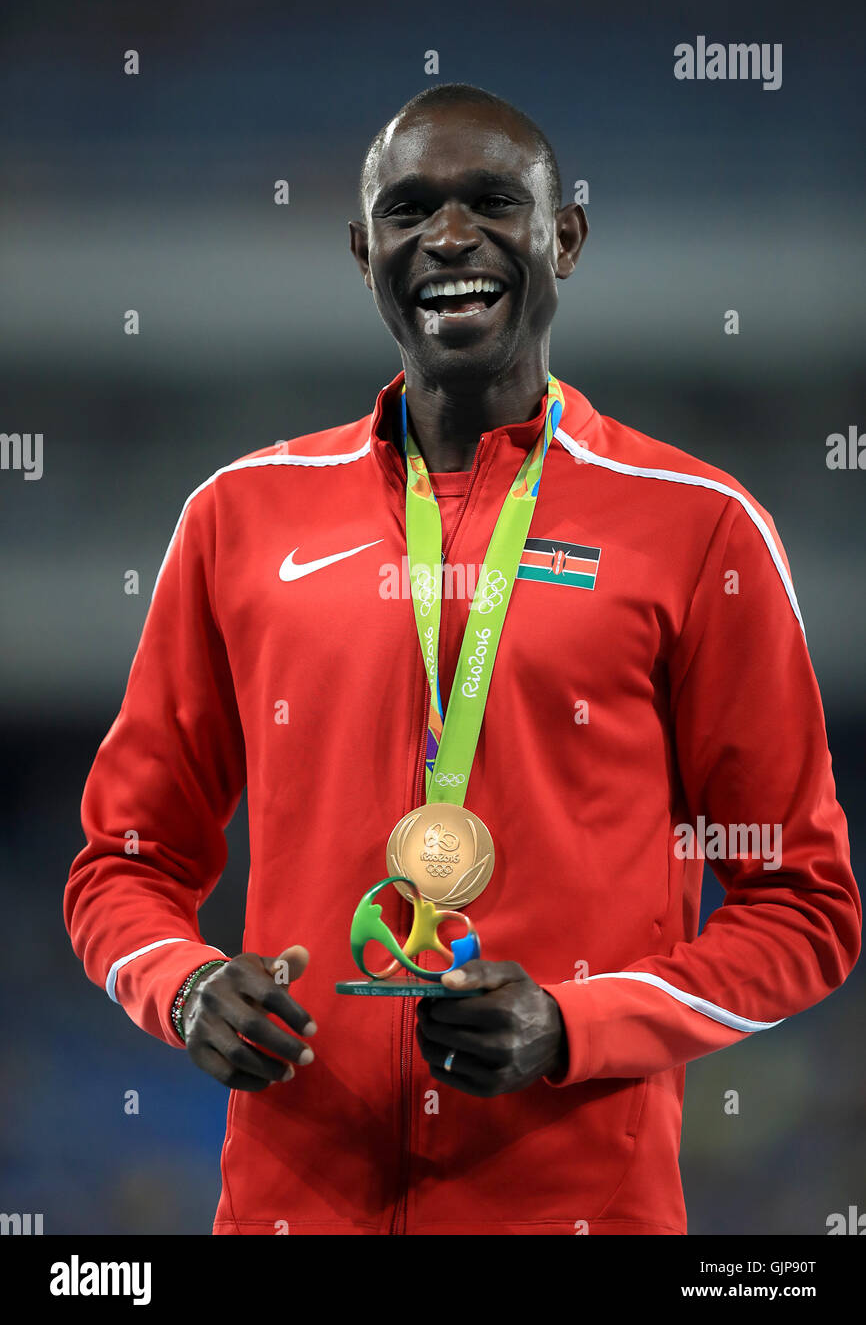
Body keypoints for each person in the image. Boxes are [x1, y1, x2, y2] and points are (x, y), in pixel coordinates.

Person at [65, 83, 861, 1236]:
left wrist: (576, 1026)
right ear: (362, 253)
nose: (447, 237)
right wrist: (180, 982)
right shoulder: (238, 517)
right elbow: (123, 861)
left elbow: (804, 906)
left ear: (565, 240)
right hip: (290, 1211)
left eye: (491, 202)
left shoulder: (698, 527)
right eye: (406, 211)